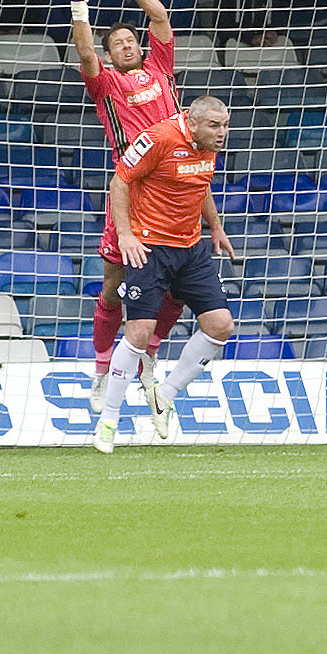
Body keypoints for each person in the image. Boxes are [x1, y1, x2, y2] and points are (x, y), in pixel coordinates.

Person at [64, 0, 202, 418]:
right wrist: (79, 0)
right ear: (108, 56)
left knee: (178, 289)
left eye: (130, 40)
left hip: (176, 186)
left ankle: (148, 354)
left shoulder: (160, 69)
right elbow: (84, 49)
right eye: (117, 44)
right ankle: (103, 372)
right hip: (132, 186)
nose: (126, 45)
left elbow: (161, 18)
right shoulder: (105, 83)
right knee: (111, 287)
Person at [97, 95, 236, 453]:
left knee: (221, 325)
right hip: (151, 247)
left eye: (225, 126)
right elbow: (120, 182)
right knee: (139, 332)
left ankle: (165, 394)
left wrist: (216, 226)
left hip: (191, 248)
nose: (222, 133)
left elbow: (199, 183)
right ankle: (109, 418)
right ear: (191, 122)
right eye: (214, 126)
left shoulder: (207, 147)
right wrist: (125, 234)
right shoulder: (156, 139)